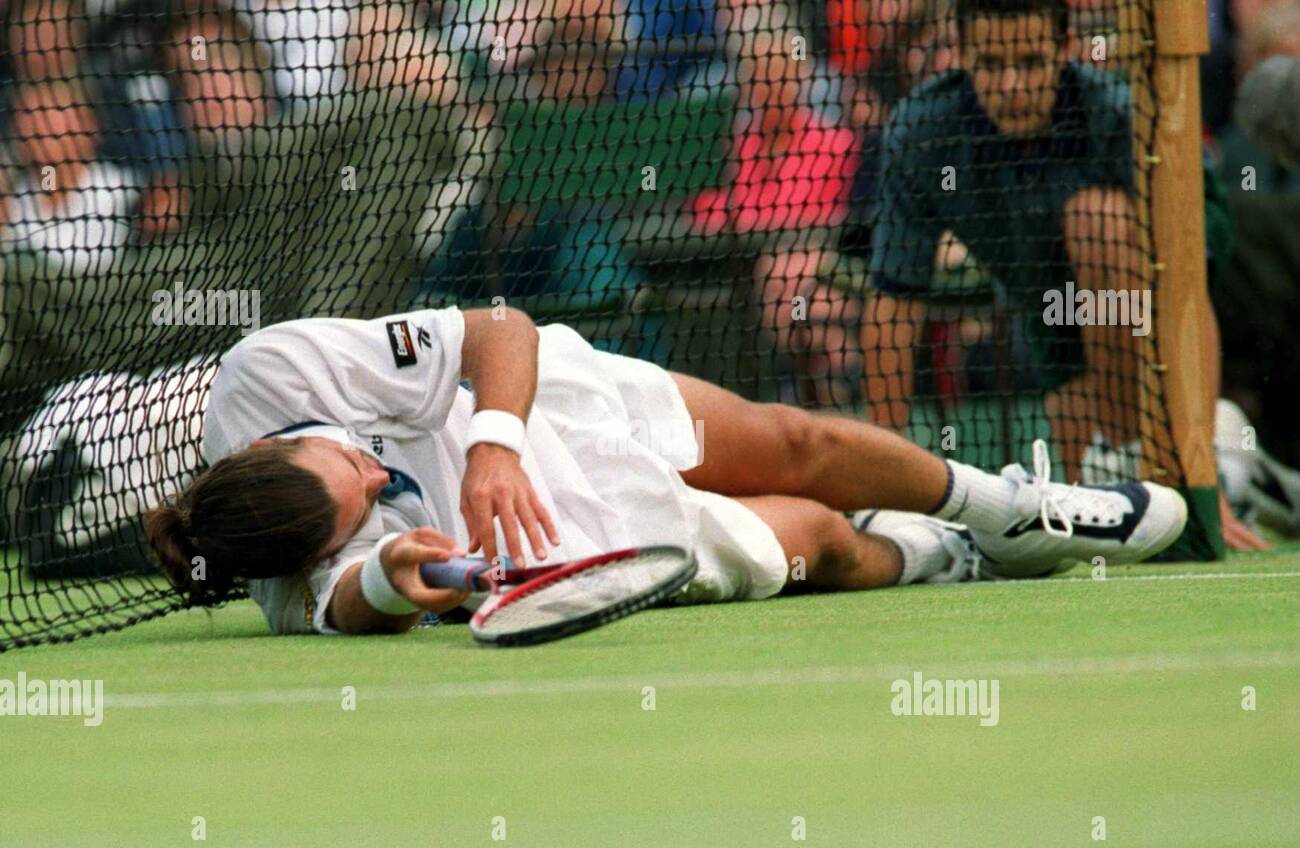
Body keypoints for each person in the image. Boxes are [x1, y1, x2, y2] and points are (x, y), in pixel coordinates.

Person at [144, 304, 1187, 636]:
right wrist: (389, 571)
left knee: (795, 442)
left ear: (268, 440)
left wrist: (493, 445)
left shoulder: (268, 369)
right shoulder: (290, 575)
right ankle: (948, 553)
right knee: (818, 543)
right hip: (571, 541)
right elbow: (345, 603)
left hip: (544, 403)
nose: (373, 483)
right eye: (353, 515)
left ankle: (1010, 506)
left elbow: (497, 325)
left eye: (349, 465)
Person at [861, 0, 1143, 481]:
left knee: (1097, 221)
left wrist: (1196, 471)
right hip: (1051, 311)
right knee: (1089, 494)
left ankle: (1142, 450)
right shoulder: (922, 131)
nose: (1012, 87)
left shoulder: (1115, 117)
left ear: (1065, 49)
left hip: (1154, 300)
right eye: (991, 64)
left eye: (1031, 63)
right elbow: (894, 298)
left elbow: (1185, 293)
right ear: (963, 55)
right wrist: (881, 474)